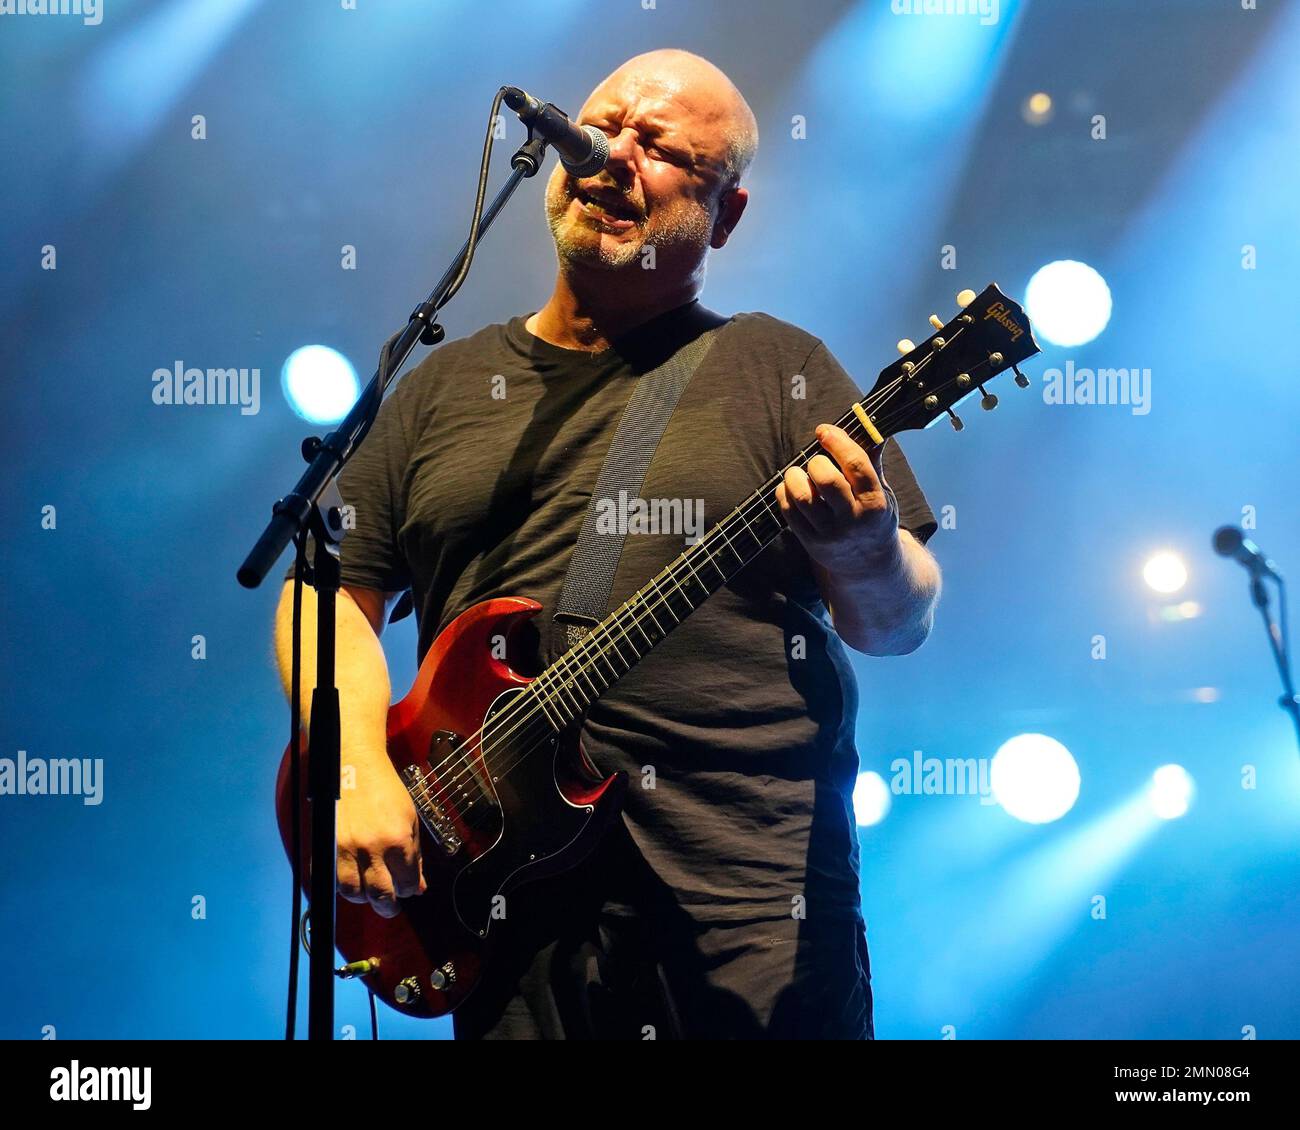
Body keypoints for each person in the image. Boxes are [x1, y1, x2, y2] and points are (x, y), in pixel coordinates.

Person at [274, 48, 941, 1040]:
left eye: (661, 146)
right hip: (506, 915)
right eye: (599, 125)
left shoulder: (777, 366)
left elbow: (899, 622)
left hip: (745, 907)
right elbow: (332, 597)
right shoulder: (442, 388)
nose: (611, 154)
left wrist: (865, 549)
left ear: (727, 213)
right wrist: (358, 766)